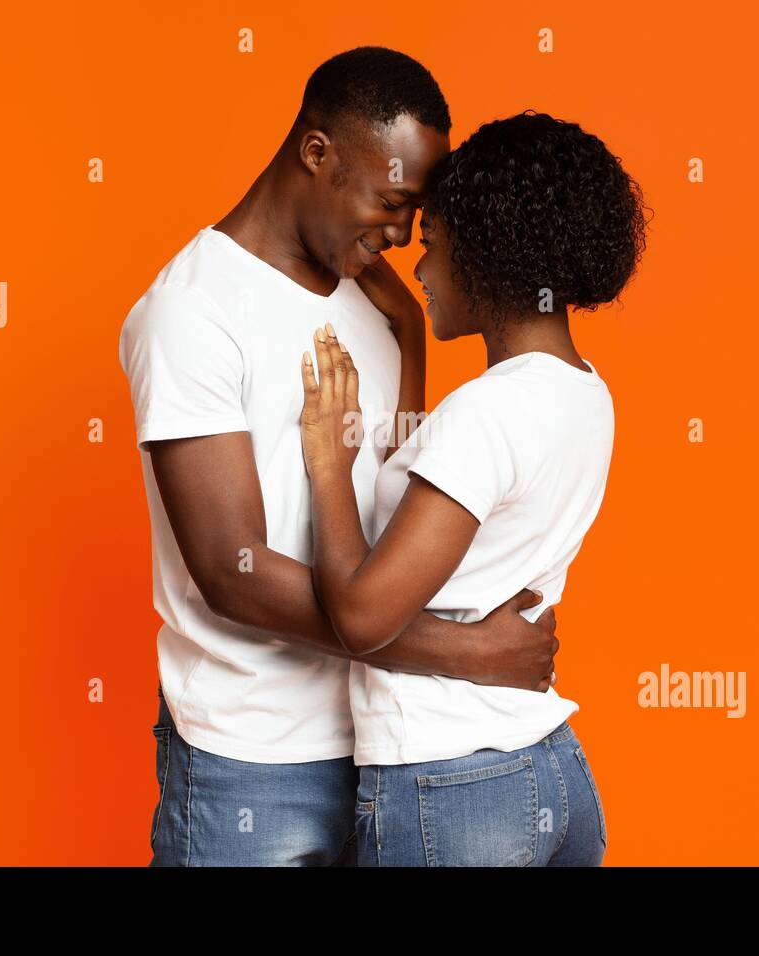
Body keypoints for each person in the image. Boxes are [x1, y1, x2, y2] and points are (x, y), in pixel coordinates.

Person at [117, 48, 561, 867]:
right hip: (251, 767)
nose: (401, 236)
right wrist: (469, 653)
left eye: (415, 214)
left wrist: (413, 345)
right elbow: (233, 572)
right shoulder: (191, 313)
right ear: (316, 154)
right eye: (392, 203)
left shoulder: (385, 308)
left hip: (392, 753)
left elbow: (394, 510)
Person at [298, 111, 647, 866]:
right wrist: (402, 327)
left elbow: (361, 617)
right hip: (547, 768)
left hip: (452, 787)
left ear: (489, 256)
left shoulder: (487, 414)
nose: (421, 269)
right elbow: (441, 482)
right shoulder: (585, 392)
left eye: (432, 247)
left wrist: (327, 461)